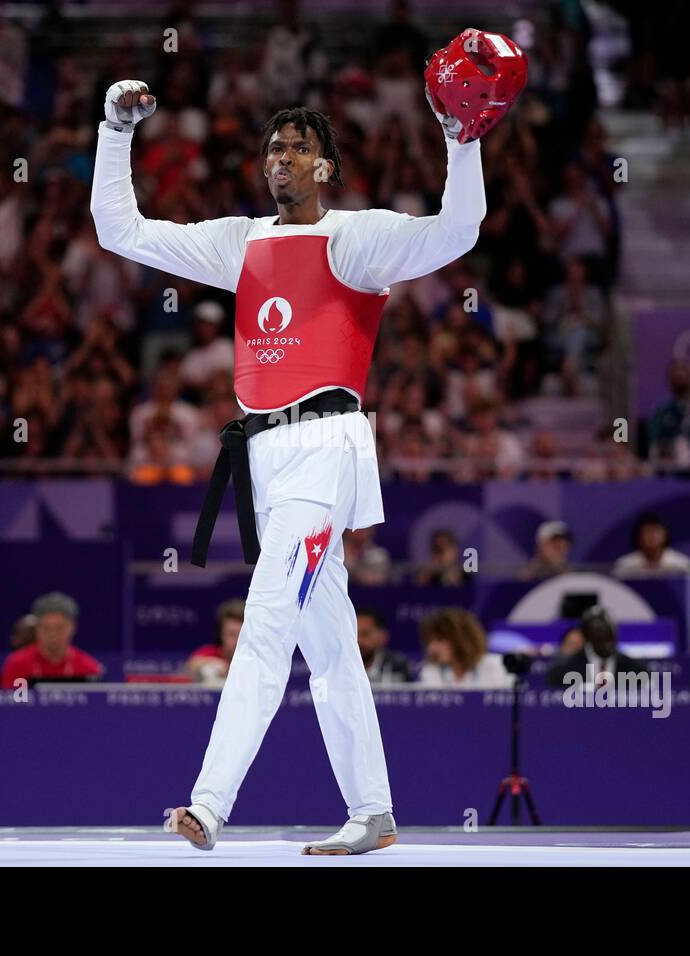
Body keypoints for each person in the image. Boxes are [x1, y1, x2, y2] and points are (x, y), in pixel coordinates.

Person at [90, 41, 504, 855]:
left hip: (326, 448)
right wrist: (114, 128)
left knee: (267, 618)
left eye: (300, 147)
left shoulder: (359, 240)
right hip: (264, 459)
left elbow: (461, 229)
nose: (282, 157)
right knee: (331, 644)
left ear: (329, 169)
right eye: (274, 147)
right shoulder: (239, 242)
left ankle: (207, 805)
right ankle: (374, 812)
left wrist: (463, 136)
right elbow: (119, 230)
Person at [0, 592, 103, 688]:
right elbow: (10, 705)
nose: (52, 634)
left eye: (59, 628)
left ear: (73, 627)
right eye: (46, 628)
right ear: (36, 629)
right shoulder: (17, 665)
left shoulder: (89, 669)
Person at [546, 606, 649, 687]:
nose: (605, 638)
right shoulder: (563, 672)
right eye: (598, 632)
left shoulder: (636, 672)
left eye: (609, 633)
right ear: (586, 636)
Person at [416, 607, 510, 687]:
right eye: (430, 642)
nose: (432, 648)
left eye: (440, 640)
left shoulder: (496, 667)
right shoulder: (430, 672)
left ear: (462, 639)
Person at [613, 512, 690, 576]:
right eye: (647, 531)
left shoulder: (682, 565)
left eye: (656, 531)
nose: (652, 536)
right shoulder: (624, 566)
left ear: (666, 534)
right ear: (638, 536)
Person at [187, 599, 245, 684]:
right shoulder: (212, 652)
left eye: (241, 634)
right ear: (220, 633)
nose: (237, 640)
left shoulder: (257, 657)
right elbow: (191, 665)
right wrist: (215, 662)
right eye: (231, 634)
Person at [356, 607, 412, 684]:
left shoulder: (398, 667)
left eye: (365, 634)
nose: (359, 641)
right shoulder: (340, 667)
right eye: (354, 634)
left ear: (382, 637)